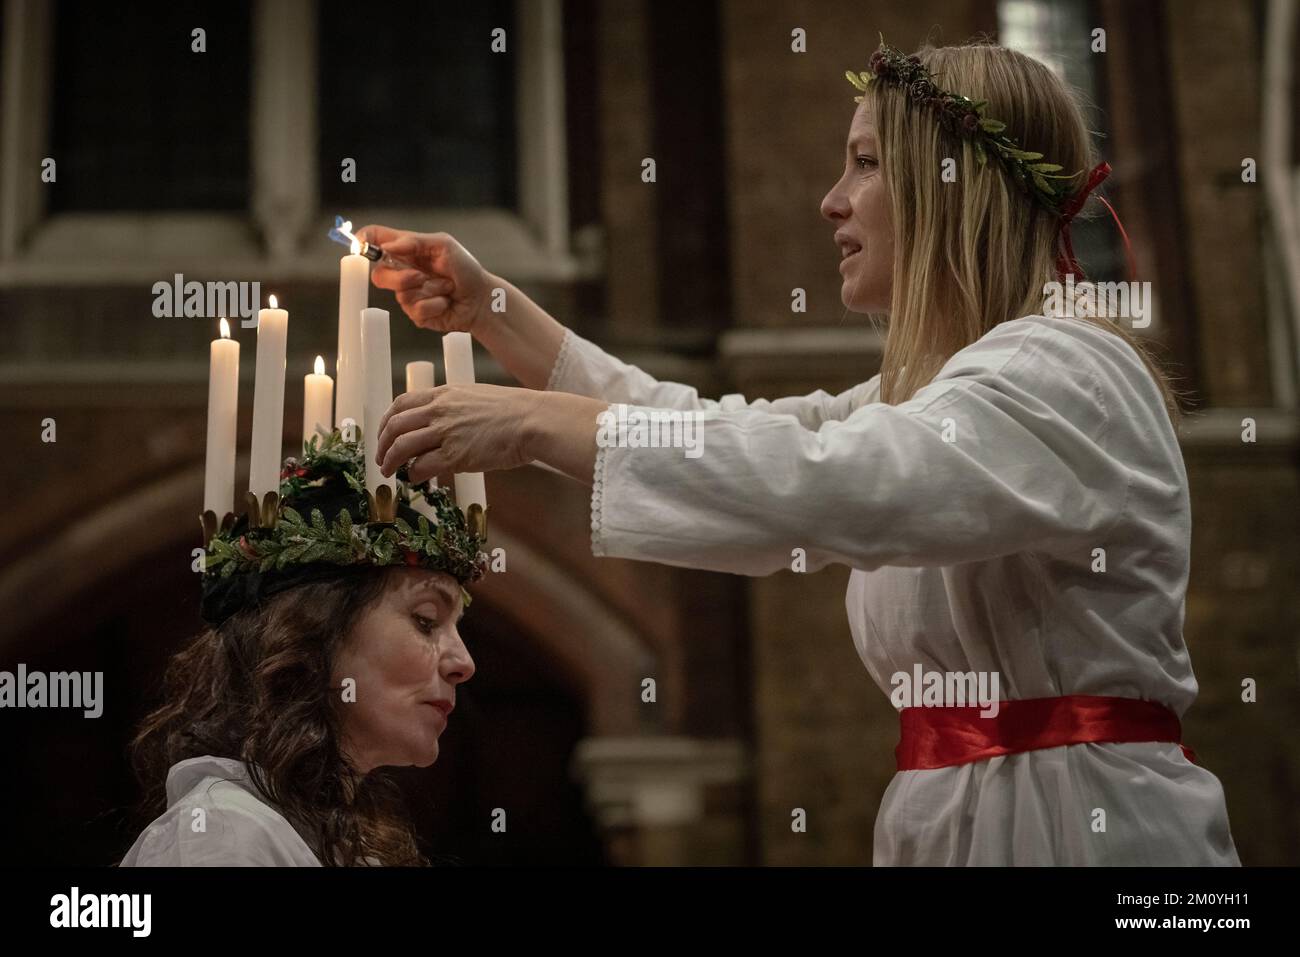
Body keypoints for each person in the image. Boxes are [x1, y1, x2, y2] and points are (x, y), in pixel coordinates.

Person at [358, 38, 1239, 865]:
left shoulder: (1066, 369)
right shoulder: (922, 395)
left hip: (1092, 825)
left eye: (865, 163)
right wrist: (495, 312)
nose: (832, 199)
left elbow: (822, 482)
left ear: (953, 184)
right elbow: (717, 429)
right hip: (951, 816)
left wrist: (528, 422)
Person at [119, 433, 484, 866]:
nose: (464, 663)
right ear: (315, 632)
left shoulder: (341, 843)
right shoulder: (223, 838)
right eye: (425, 621)